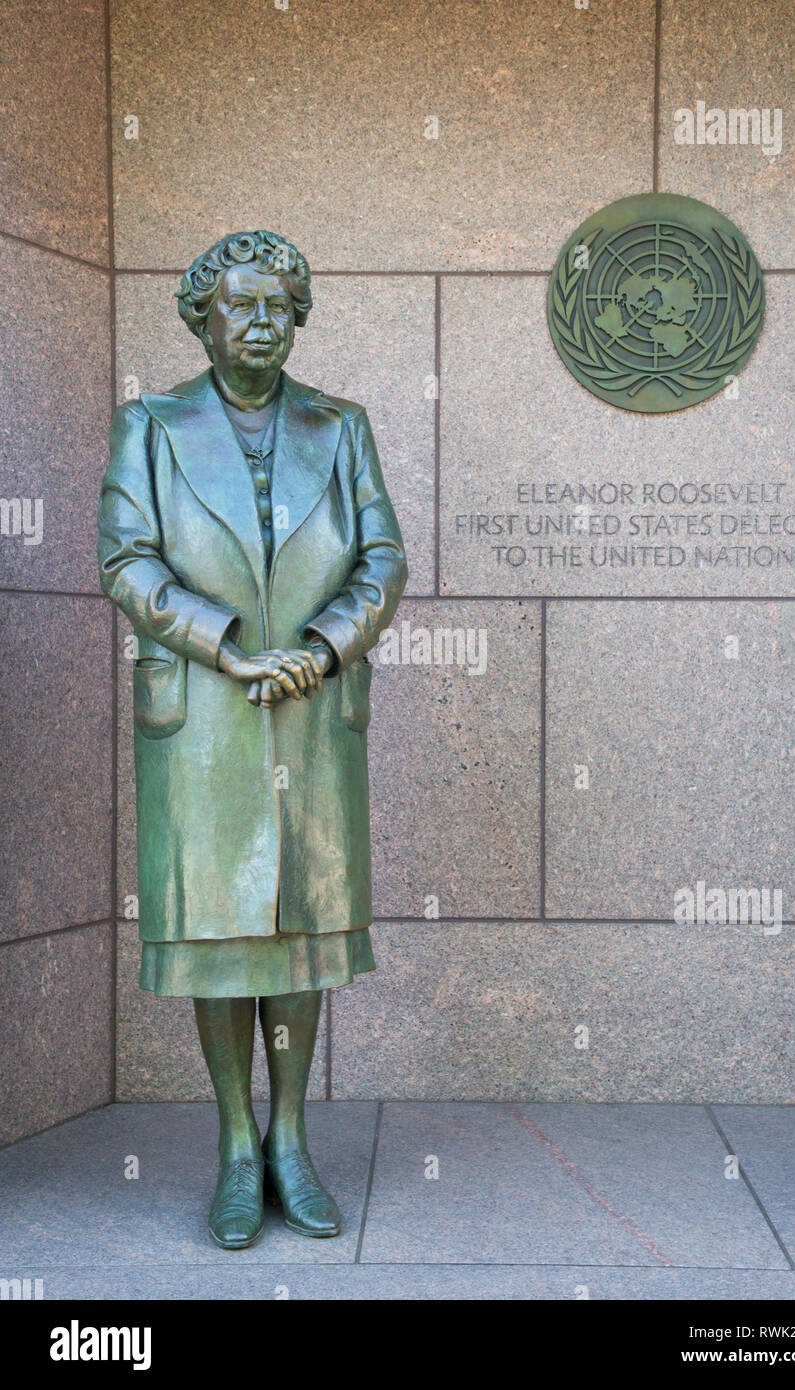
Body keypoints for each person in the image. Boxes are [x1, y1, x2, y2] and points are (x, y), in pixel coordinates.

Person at [98, 230, 408, 1249]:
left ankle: (291, 1138)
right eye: (242, 304)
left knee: (300, 932)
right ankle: (236, 1144)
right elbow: (127, 563)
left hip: (313, 708)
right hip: (204, 711)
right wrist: (227, 649)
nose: (263, 321)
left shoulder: (342, 425)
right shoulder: (150, 425)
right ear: (202, 315)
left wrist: (320, 650)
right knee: (223, 933)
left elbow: (382, 560)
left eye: (280, 304)